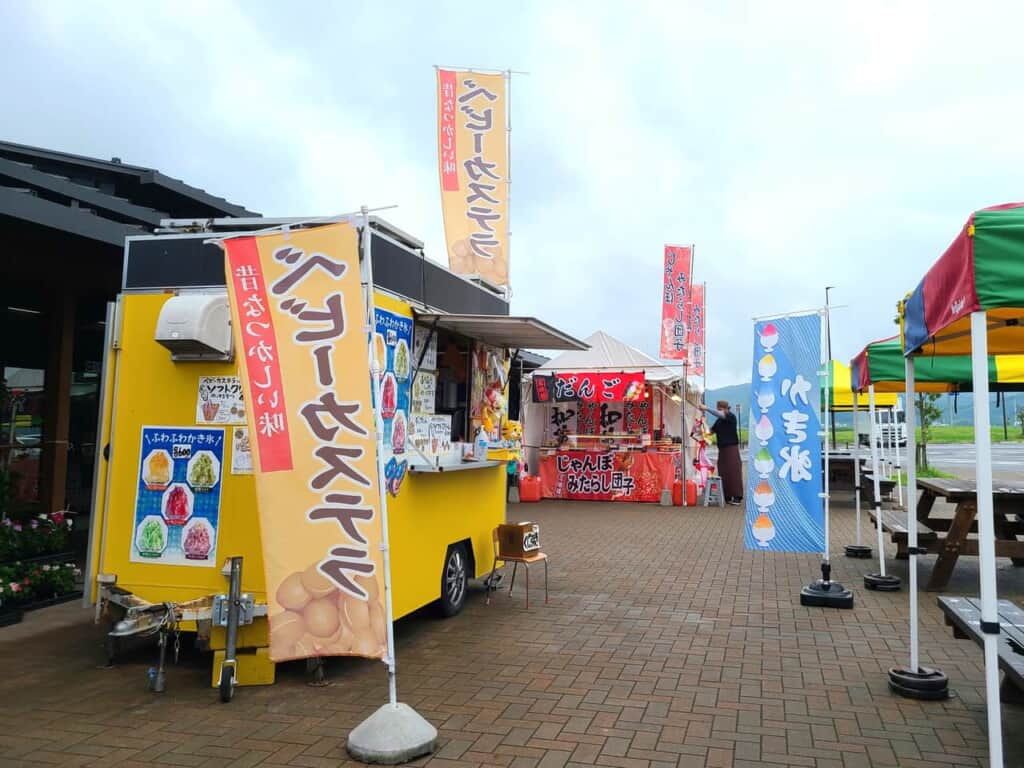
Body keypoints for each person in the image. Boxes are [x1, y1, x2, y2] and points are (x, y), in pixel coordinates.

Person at [701, 400, 743, 505]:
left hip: (731, 448)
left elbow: (721, 414)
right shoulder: (719, 421)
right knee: (723, 472)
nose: (718, 410)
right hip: (722, 449)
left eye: (719, 408)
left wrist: (706, 408)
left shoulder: (730, 416)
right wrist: (702, 424)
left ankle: (737, 496)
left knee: (734, 472)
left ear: (724, 408)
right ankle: (727, 496)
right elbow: (710, 431)